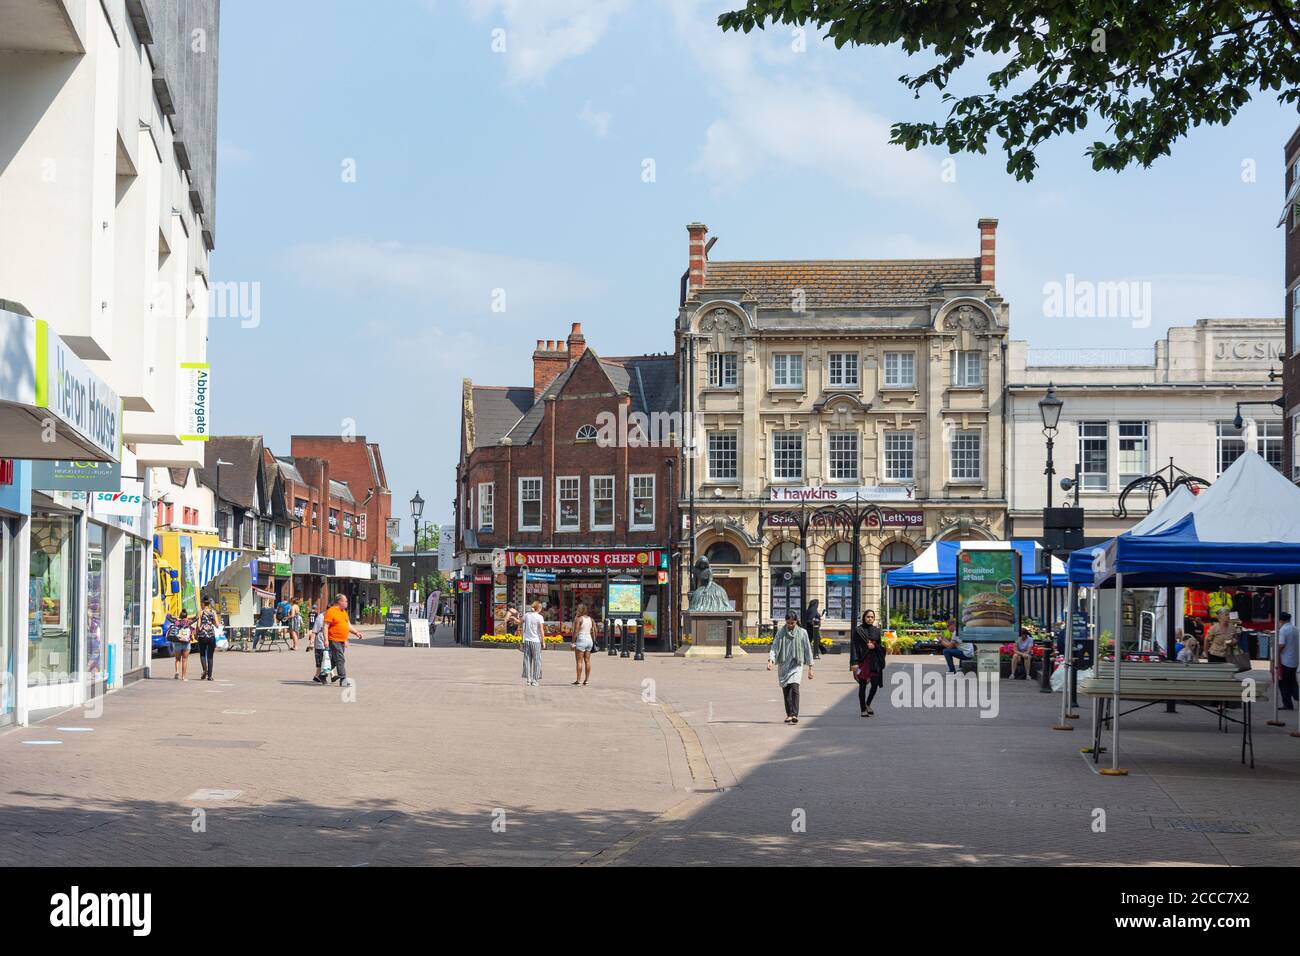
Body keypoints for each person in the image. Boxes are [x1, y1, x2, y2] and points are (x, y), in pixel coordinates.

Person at [768, 611, 815, 724]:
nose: (790, 625)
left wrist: (811, 667)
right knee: (786, 689)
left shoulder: (802, 632)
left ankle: (794, 714)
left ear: (796, 621)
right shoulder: (781, 632)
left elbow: (807, 649)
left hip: (796, 664)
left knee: (794, 688)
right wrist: (771, 660)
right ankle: (789, 714)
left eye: (792, 623)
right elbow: (774, 646)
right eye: (788, 623)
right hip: (784, 664)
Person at [322, 594, 363, 687]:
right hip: (334, 639)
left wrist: (356, 632)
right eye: (345, 601)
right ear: (339, 602)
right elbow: (325, 626)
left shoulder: (343, 612)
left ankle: (322, 675)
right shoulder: (331, 611)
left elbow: (348, 625)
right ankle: (343, 679)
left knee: (334, 660)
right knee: (340, 659)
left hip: (342, 640)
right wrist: (326, 640)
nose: (347, 603)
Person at [851, 609, 885, 717]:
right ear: (864, 618)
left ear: (874, 619)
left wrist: (874, 646)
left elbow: (881, 647)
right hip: (862, 661)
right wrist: (854, 663)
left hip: (874, 661)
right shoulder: (858, 630)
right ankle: (863, 709)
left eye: (872, 617)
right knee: (862, 685)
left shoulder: (876, 631)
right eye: (868, 617)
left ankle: (868, 704)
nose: (870, 619)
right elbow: (855, 647)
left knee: (874, 685)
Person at [521, 600, 545, 686]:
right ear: (538, 608)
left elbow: (520, 622)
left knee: (527, 660)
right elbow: (541, 630)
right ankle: (535, 680)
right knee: (537, 660)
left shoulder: (527, 615)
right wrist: (543, 641)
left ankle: (528, 679)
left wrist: (512, 618)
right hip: (536, 641)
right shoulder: (539, 617)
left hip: (527, 640)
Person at [196, 597, 220, 681]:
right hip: (211, 636)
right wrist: (211, 622)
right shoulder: (213, 612)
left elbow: (198, 626)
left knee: (202, 654)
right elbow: (217, 625)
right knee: (210, 656)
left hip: (202, 636)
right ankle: (210, 676)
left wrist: (197, 633)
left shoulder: (200, 612)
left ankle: (204, 671)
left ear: (203, 603)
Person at [1278, 612, 1297, 711]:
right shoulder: (1296, 629)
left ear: (1281, 620)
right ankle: (1297, 696)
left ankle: (1287, 704)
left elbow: (1281, 644)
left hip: (1285, 660)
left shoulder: (1283, 630)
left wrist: (1275, 654)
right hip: (1294, 660)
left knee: (1283, 683)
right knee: (1292, 681)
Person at [572, 602, 594, 686]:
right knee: (587, 661)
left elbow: (576, 631)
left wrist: (573, 642)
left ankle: (578, 680)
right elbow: (592, 630)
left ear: (580, 610)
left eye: (577, 609)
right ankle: (587, 680)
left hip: (581, 639)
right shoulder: (590, 619)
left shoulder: (579, 619)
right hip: (589, 639)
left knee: (579, 661)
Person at [169, 609, 194, 681]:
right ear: (186, 616)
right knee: (185, 660)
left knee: (177, 659)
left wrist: (174, 617)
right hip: (186, 643)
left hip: (178, 642)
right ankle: (183, 677)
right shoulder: (188, 622)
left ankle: (177, 671)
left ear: (180, 616)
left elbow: (167, 616)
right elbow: (196, 618)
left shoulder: (177, 622)